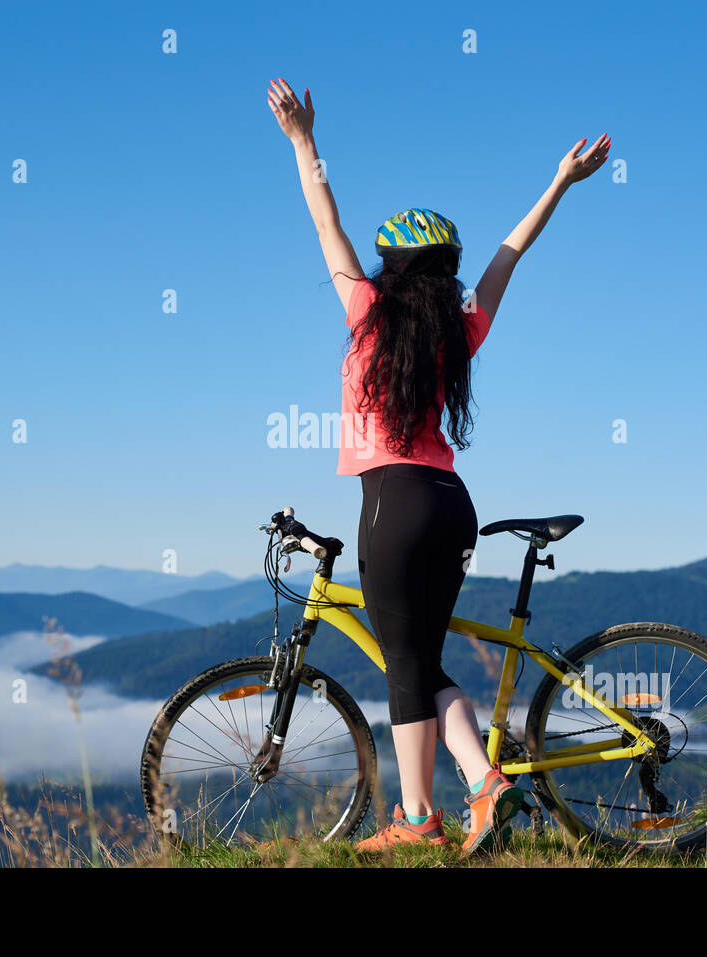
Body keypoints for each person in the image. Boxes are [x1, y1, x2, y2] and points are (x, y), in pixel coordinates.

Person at [267, 77, 609, 853]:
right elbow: (509, 254)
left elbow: (326, 219)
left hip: (392, 502)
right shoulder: (462, 329)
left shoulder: (366, 315)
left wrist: (303, 142)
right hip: (452, 504)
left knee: (404, 668)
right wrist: (559, 182)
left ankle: (473, 789)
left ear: (390, 269)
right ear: (445, 272)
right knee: (419, 663)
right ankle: (423, 813)